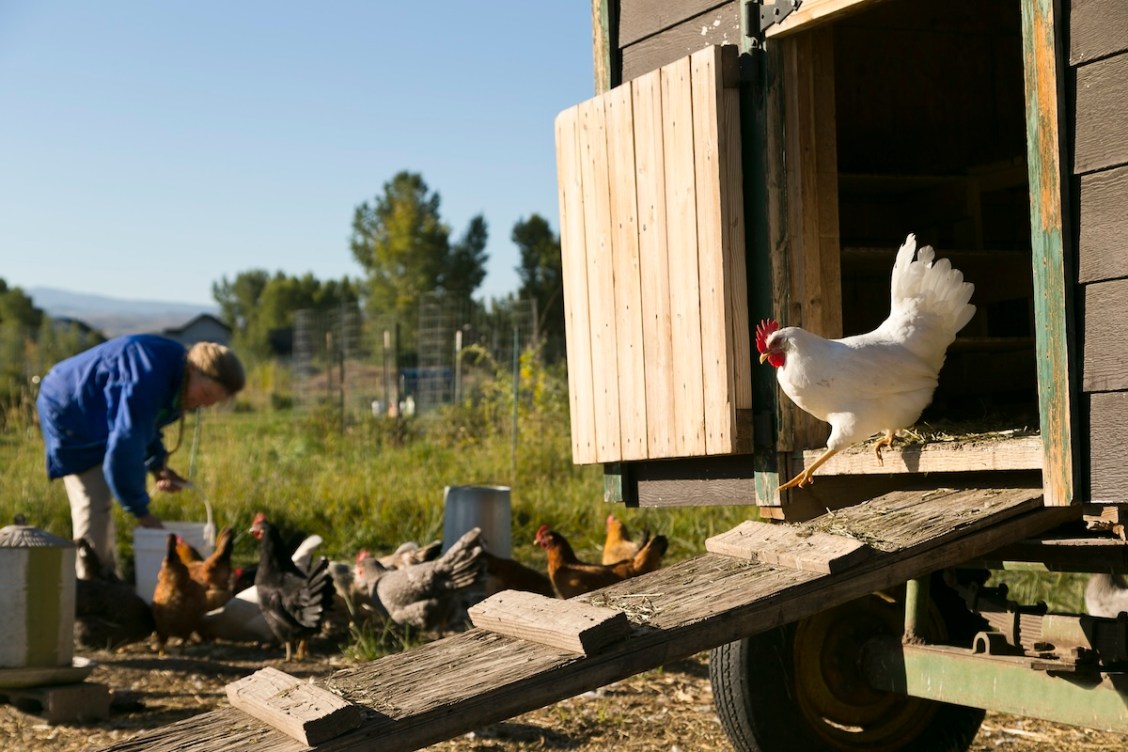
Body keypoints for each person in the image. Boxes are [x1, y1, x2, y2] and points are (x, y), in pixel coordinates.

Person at [36, 334, 245, 575]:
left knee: (101, 500)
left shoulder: (177, 377)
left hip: (97, 407)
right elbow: (124, 449)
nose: (205, 404)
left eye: (213, 402)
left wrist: (157, 466)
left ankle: (106, 577)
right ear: (194, 369)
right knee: (93, 500)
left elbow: (145, 425)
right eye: (206, 394)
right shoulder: (150, 379)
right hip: (70, 408)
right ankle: (92, 584)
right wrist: (143, 514)